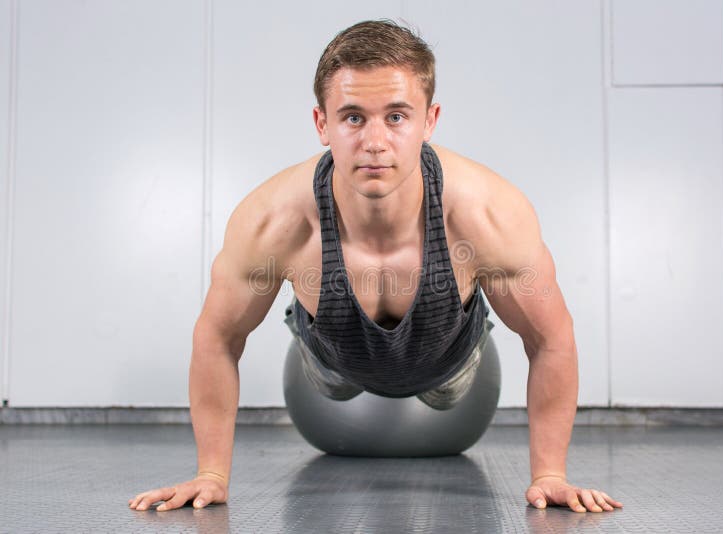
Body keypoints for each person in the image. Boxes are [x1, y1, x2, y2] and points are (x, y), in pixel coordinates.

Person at [128, 19, 623, 514]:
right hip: (330, 363)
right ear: (322, 124)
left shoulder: (489, 214)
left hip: (451, 365)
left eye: (396, 117)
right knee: (326, 369)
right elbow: (217, 335)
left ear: (429, 121)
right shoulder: (272, 220)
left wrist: (550, 474)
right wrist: (211, 473)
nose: (375, 141)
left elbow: (551, 336)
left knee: (456, 375)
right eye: (352, 118)